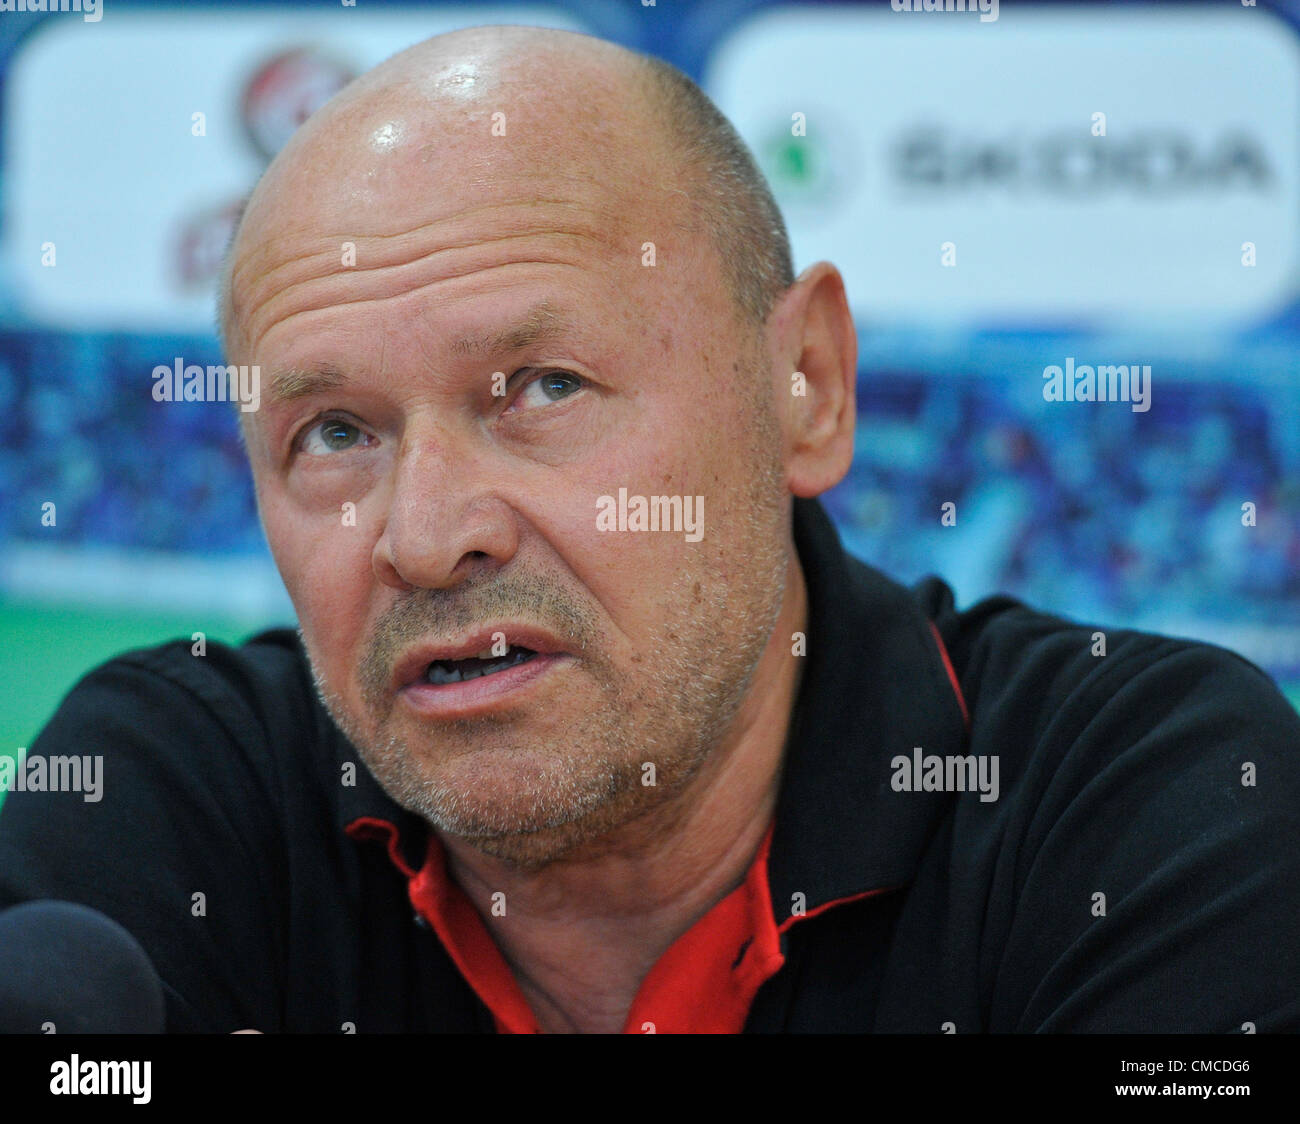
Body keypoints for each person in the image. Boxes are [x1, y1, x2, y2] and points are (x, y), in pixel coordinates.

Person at [2, 24, 1297, 1035]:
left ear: (808, 389)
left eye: (543, 388)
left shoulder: (1149, 798)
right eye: (334, 432)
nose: (428, 534)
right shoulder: (175, 796)